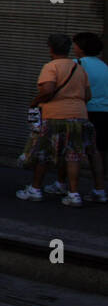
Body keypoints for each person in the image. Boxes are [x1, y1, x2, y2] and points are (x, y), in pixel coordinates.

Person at [16, 34, 95, 206]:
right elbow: (88, 95)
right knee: (73, 155)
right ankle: (74, 194)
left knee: (43, 153)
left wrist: (35, 102)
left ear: (50, 48)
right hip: (79, 116)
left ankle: (35, 189)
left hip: (54, 116)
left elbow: (48, 90)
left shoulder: (51, 67)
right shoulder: (79, 68)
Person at [71, 32, 107, 202]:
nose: (74, 48)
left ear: (81, 48)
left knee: (73, 151)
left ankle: (71, 189)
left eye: (76, 45)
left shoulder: (76, 65)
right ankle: (99, 189)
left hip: (82, 111)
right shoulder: (104, 66)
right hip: (103, 112)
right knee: (95, 151)